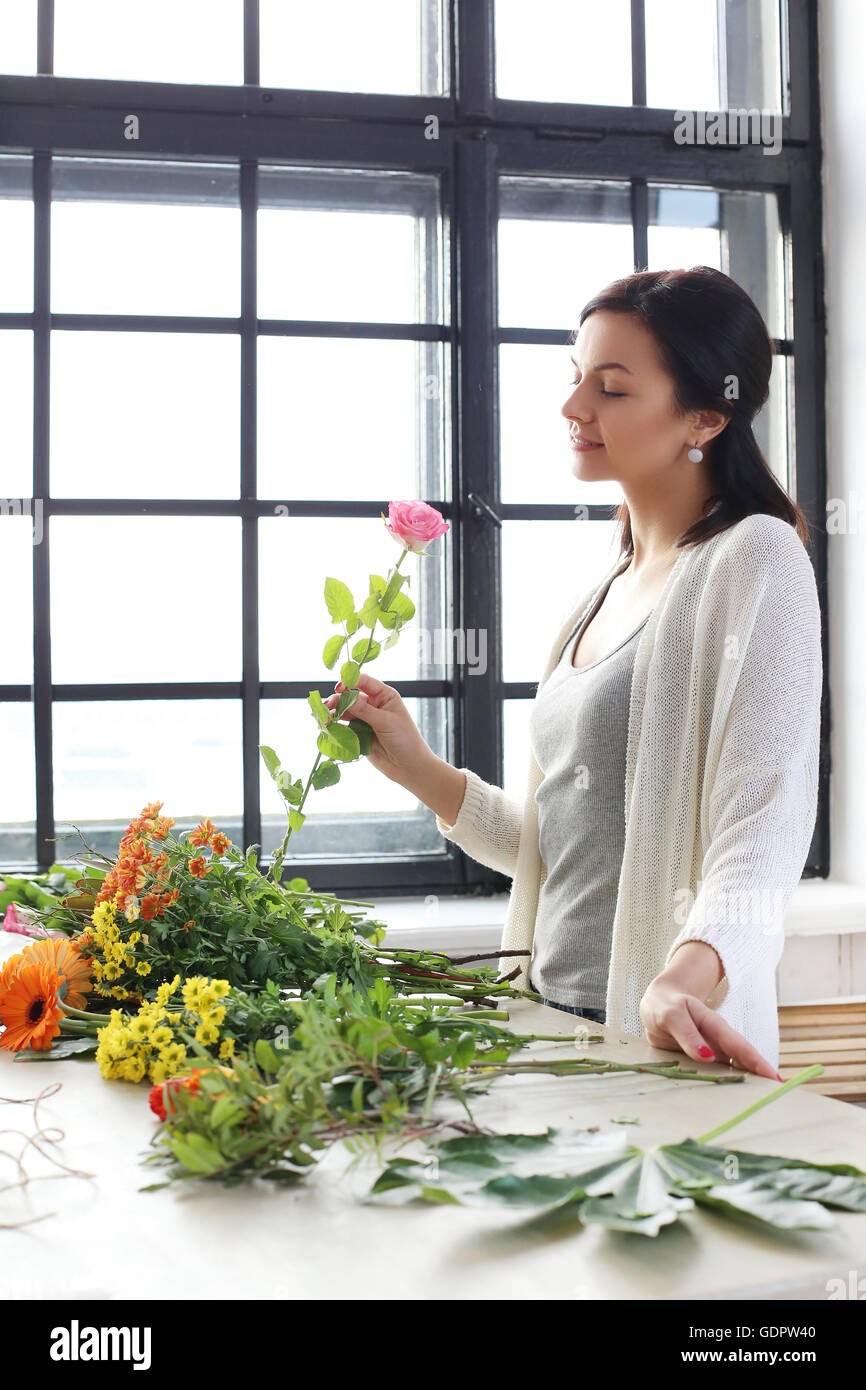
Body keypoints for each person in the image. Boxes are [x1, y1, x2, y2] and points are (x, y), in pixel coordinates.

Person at [323, 266, 822, 1082]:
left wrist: (685, 978)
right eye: (575, 378)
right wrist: (419, 769)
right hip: (547, 1021)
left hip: (659, 1036)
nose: (573, 408)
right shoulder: (603, 593)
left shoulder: (754, 558)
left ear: (706, 414)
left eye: (613, 388)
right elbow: (569, 846)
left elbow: (764, 824)